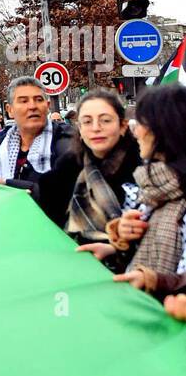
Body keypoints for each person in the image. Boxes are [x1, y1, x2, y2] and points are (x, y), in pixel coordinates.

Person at [107, 86, 186, 295]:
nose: (136, 131)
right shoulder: (154, 189)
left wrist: (153, 280)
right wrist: (122, 239)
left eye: (141, 122)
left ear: (162, 128)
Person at [55, 90, 141, 270]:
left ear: (123, 125)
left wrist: (115, 247)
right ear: (79, 128)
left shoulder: (144, 166)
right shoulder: (68, 167)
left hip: (137, 271)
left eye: (105, 120)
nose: (95, 128)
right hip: (80, 269)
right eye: (87, 121)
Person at [0, 76, 74, 224]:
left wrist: (9, 185)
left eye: (38, 100)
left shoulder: (69, 145)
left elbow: (72, 197)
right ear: (9, 110)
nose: (32, 106)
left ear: (47, 105)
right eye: (23, 101)